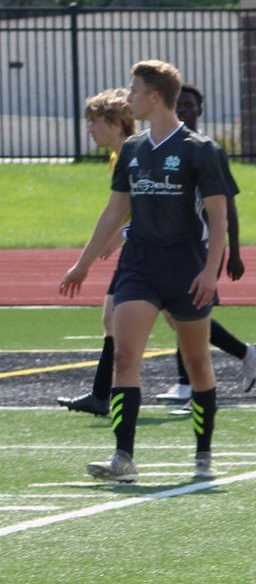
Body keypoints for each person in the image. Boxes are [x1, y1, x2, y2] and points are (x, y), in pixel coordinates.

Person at [57, 60, 234, 482]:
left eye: (135, 91)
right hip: (139, 265)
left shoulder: (200, 150)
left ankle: (203, 455)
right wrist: (82, 263)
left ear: (154, 97)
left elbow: (219, 219)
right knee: (123, 356)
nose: (129, 97)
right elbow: (114, 211)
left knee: (197, 363)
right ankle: (123, 457)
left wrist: (211, 272)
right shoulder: (132, 150)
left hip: (186, 268)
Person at [156, 85, 256, 409]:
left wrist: (235, 252)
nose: (185, 110)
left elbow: (227, 208)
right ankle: (245, 353)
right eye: (179, 105)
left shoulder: (207, 150)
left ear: (200, 110)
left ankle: (189, 384)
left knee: (187, 311)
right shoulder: (165, 148)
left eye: (189, 105)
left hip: (203, 246)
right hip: (172, 245)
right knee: (178, 312)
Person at [56, 89, 135, 417]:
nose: (89, 129)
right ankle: (102, 395)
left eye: (95, 121)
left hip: (154, 248)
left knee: (180, 319)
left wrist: (121, 235)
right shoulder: (118, 156)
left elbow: (152, 207)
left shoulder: (134, 154)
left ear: (116, 124)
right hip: (140, 244)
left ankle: (237, 356)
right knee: (112, 318)